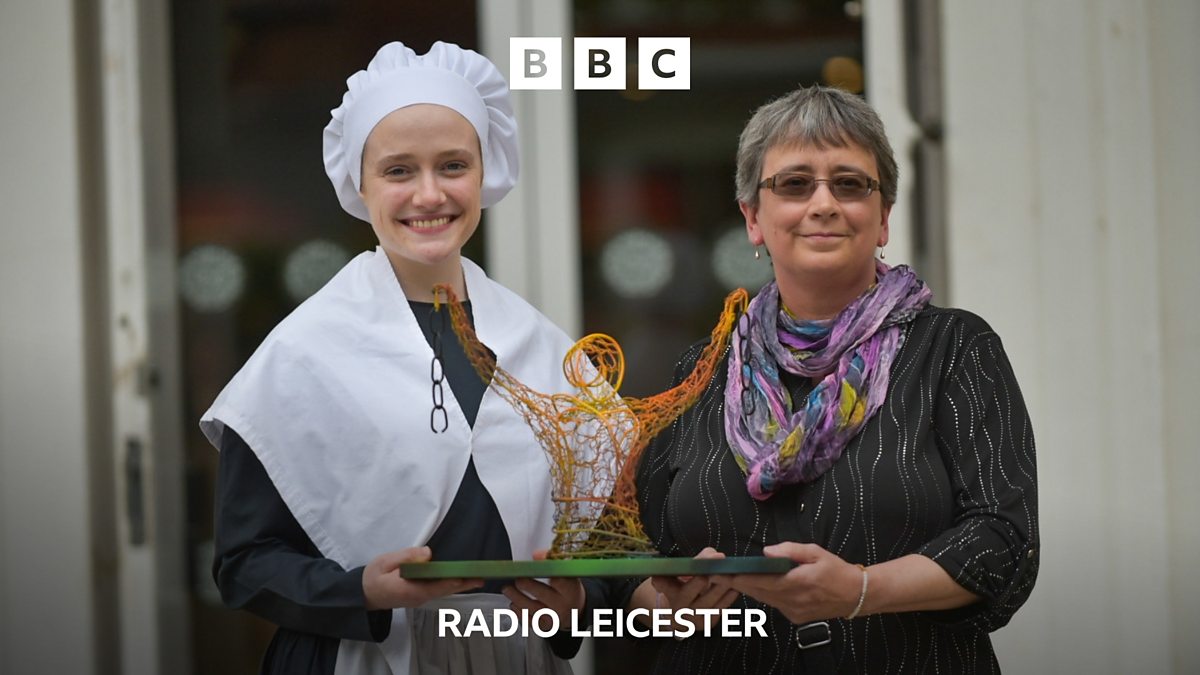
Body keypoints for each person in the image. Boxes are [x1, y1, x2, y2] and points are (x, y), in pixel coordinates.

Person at [616, 85, 1040, 673]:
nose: (823, 204)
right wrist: (672, 601)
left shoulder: (954, 349)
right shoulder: (704, 370)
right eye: (794, 184)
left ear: (884, 216)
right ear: (753, 219)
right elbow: (634, 561)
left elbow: (1003, 540)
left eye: (849, 183)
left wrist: (863, 589)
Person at [202, 41, 586, 674]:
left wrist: (577, 599)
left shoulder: (542, 348)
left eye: (453, 166)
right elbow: (244, 563)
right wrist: (360, 593)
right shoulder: (302, 353)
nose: (429, 194)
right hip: (354, 656)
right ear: (360, 182)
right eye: (399, 170)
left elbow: (598, 543)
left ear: (486, 172)